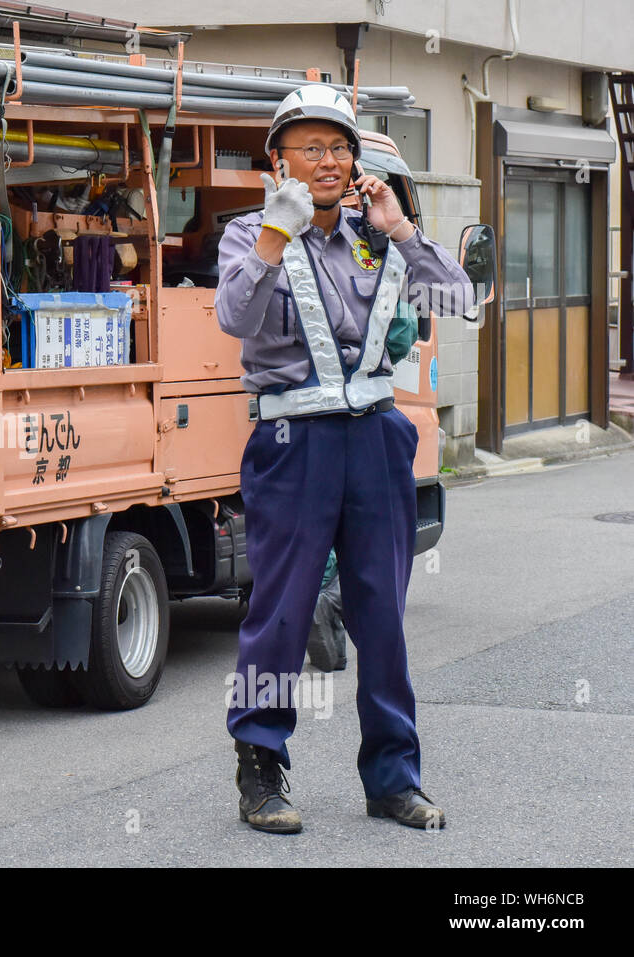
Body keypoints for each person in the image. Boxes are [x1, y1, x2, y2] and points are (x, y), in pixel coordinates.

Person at [215, 84, 470, 833]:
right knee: (281, 613)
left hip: (377, 440)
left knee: (382, 617)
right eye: (310, 148)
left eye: (338, 148)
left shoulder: (375, 233)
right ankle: (260, 768)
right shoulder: (246, 234)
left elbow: (463, 304)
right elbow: (233, 315)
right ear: (278, 161)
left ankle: (394, 777)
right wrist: (273, 236)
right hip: (293, 446)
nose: (328, 162)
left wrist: (406, 230)